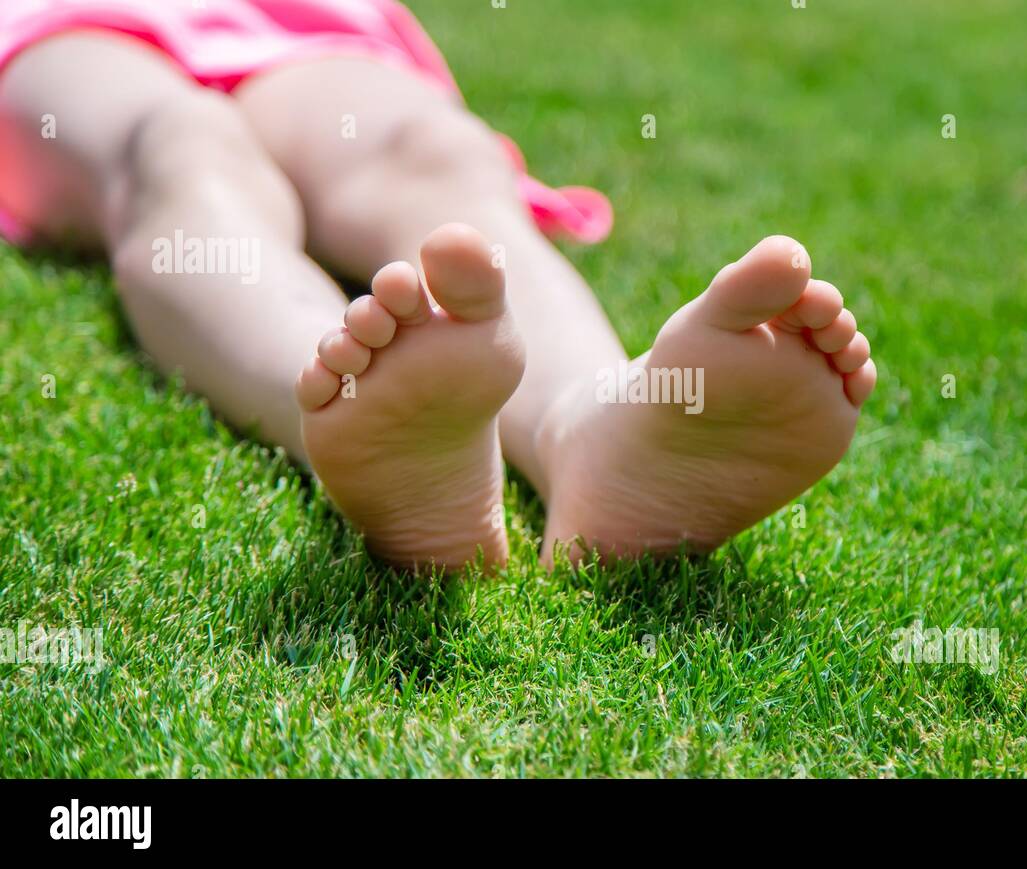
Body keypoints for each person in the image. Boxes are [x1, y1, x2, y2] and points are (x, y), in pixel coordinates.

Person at [0, 0, 877, 569]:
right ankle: (341, 392)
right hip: (71, 23)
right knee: (180, 147)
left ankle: (590, 424)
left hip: (295, 17)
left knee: (436, 156)